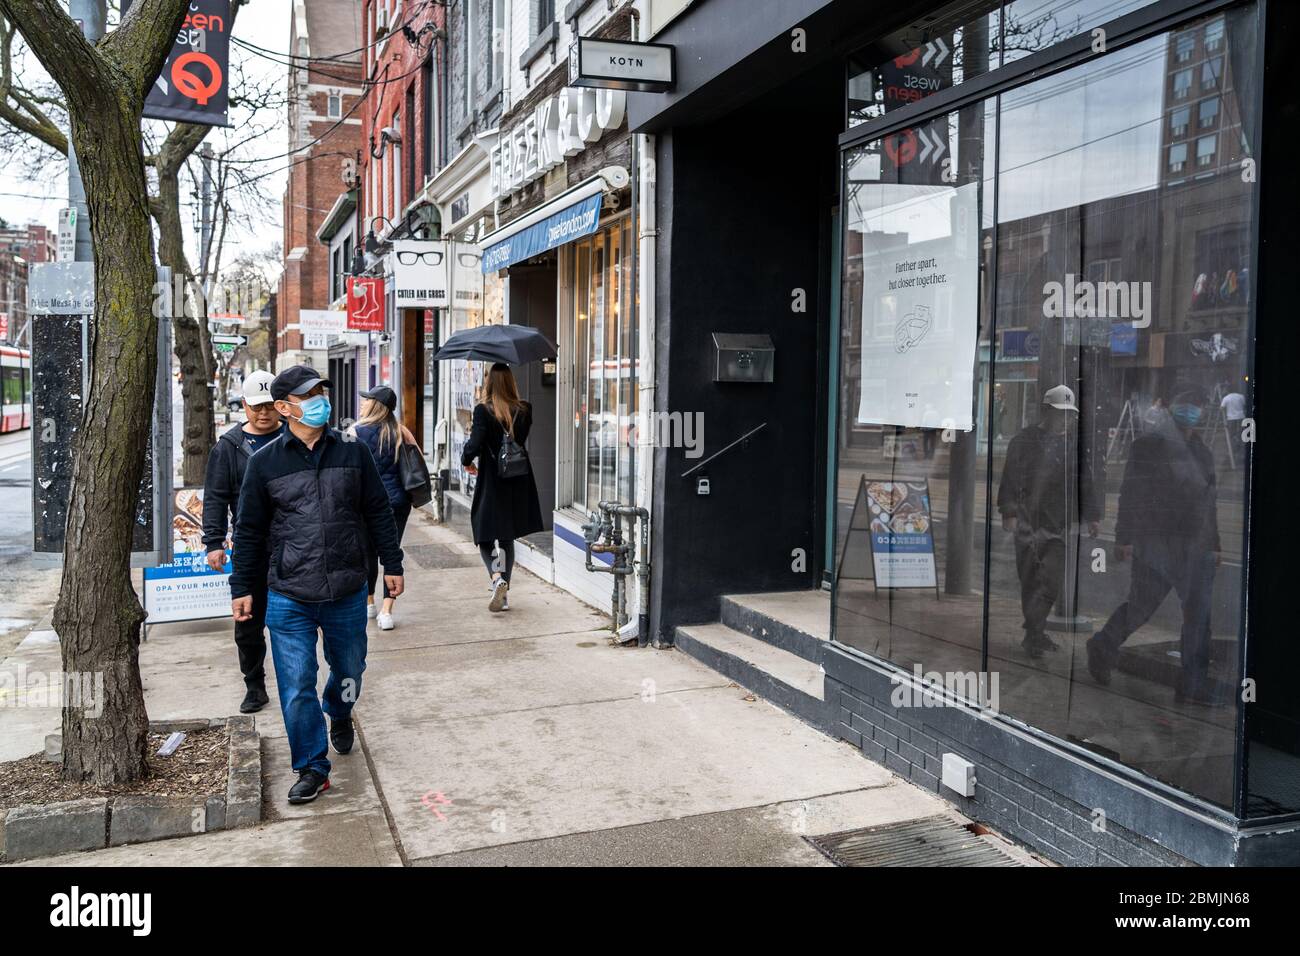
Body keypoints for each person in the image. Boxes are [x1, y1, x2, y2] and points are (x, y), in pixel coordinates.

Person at [229, 365, 404, 804]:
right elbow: (249, 531)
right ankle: (311, 765)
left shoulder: (353, 451)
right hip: (288, 593)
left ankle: (340, 711)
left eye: (321, 392)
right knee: (296, 684)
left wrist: (392, 565)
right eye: (308, 395)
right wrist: (242, 588)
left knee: (349, 671)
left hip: (346, 588)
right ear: (285, 407)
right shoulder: (264, 463)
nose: (319, 401)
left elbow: (378, 511)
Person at [1087, 387, 1221, 703]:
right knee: (1140, 608)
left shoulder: (1202, 451)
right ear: (1171, 407)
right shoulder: (1147, 446)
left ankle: (1193, 684)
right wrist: (1123, 538)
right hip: (1157, 544)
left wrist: (1214, 543)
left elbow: (1208, 502)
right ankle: (1102, 646)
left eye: (1196, 405)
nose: (1191, 410)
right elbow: (1131, 494)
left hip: (1196, 547)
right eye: (1186, 403)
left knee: (1199, 618)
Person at [996, 385, 1103, 659]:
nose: (1065, 420)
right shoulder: (1024, 441)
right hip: (1029, 523)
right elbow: (1011, 477)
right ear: (1047, 411)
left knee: (1050, 581)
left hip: (1057, 524)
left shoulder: (1070, 447)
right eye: (1060, 413)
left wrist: (1092, 516)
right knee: (1032, 579)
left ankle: (1033, 630)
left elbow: (1084, 483)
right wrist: (1009, 511)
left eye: (1069, 415)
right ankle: (1035, 633)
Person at [201, 369, 281, 714]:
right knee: (247, 619)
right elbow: (215, 497)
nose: (264, 414)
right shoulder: (229, 447)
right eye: (257, 407)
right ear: (244, 405)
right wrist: (214, 541)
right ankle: (254, 684)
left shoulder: (294, 437)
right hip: (250, 546)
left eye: (270, 407)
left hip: (295, 543)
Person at [461, 363, 544, 612]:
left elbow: (474, 444)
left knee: (484, 533)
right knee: (506, 537)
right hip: (518, 479)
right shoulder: (525, 409)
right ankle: (504, 594)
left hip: (492, 479)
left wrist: (466, 461)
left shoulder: (483, 411)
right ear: (511, 383)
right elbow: (519, 439)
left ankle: (497, 578)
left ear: (490, 384)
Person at [350, 385, 420, 630]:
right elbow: (418, 463)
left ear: (374, 405)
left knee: (368, 553)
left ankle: (369, 602)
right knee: (392, 554)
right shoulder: (401, 432)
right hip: (397, 503)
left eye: (366, 400)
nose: (362, 403)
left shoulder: (354, 432)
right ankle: (386, 611)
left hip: (365, 504)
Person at [1221, 387, 1247, 468]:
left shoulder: (1226, 398)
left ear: (1228, 391)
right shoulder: (1241, 396)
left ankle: (1233, 449)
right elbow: (1244, 405)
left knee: (1231, 435)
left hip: (1231, 418)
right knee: (1241, 434)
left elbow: (1221, 408)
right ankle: (1241, 449)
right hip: (1241, 417)